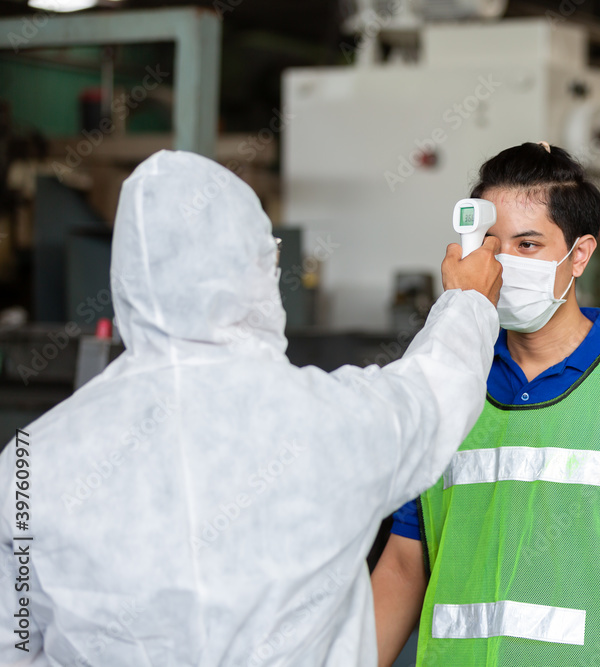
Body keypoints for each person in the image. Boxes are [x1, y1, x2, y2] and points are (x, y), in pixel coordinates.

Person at [0, 150, 502, 666]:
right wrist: (470, 301)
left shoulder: (31, 461)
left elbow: (11, 643)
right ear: (254, 267)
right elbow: (435, 394)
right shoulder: (327, 423)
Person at [372, 142, 600, 666]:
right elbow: (401, 567)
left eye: (528, 244)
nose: (502, 264)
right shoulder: (443, 383)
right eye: (489, 244)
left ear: (579, 254)